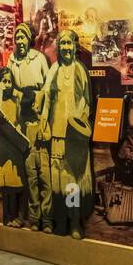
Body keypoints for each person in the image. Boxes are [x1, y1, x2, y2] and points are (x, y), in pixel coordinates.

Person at [40, 30, 93, 239]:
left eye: (69, 44)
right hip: (56, 135)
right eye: (62, 45)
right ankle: (60, 222)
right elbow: (46, 102)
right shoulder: (54, 70)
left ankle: (75, 223)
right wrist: (44, 124)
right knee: (57, 181)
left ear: (75, 46)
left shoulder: (80, 70)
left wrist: (77, 122)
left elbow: (86, 103)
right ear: (58, 48)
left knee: (73, 183)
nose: (66, 48)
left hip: (74, 138)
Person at [7, 22, 51, 229]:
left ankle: (47, 218)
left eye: (23, 38)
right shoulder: (12, 60)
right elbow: (7, 84)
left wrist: (38, 101)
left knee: (43, 173)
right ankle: (31, 217)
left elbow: (49, 88)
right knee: (27, 173)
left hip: (38, 119)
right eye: (17, 38)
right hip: (21, 120)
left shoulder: (39, 58)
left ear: (29, 40)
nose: (20, 42)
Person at [0, 66, 28, 227]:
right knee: (6, 183)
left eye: (10, 81)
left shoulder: (17, 99)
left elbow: (21, 121)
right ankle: (7, 217)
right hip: (3, 144)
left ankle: (18, 217)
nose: (7, 84)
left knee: (17, 181)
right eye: (4, 81)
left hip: (15, 144)